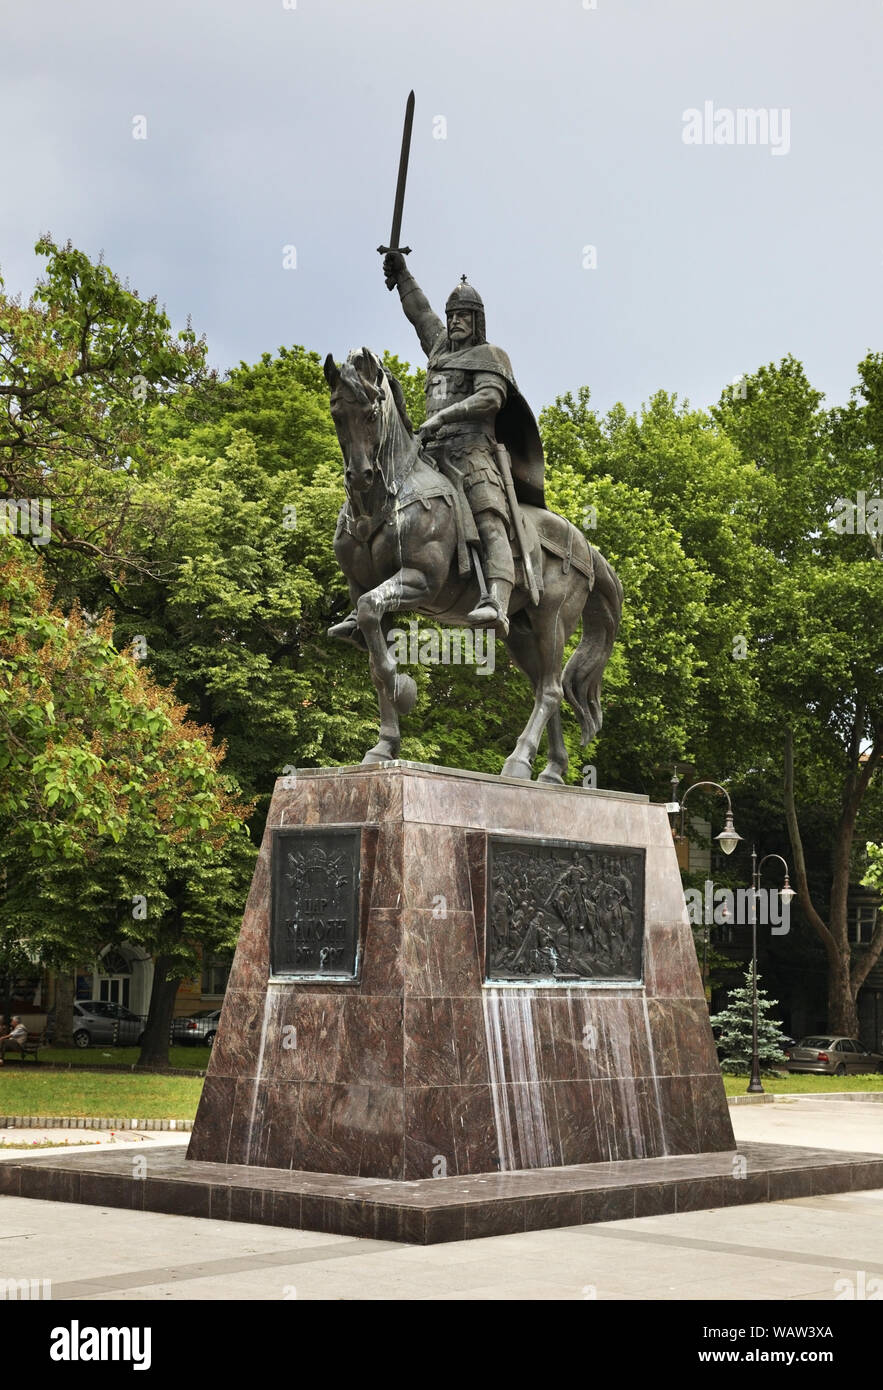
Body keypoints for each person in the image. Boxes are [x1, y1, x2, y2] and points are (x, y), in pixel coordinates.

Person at [381, 253, 547, 636]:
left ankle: (497, 603)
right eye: (452, 314)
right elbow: (419, 311)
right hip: (430, 453)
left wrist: (443, 416)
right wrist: (402, 274)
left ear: (477, 321)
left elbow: (489, 399)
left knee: (490, 519)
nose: (455, 321)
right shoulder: (439, 348)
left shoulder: (490, 356)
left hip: (473, 452)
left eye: (464, 315)